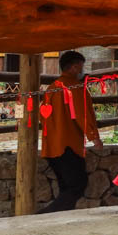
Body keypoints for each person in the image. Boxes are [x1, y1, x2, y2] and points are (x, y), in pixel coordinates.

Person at [37, 50, 103, 214]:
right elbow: (83, 114)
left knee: (65, 186)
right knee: (77, 185)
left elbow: (42, 116)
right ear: (74, 67)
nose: (82, 70)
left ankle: (60, 218)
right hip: (68, 146)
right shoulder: (75, 87)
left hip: (52, 147)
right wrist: (94, 137)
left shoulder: (52, 88)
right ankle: (45, 215)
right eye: (80, 66)